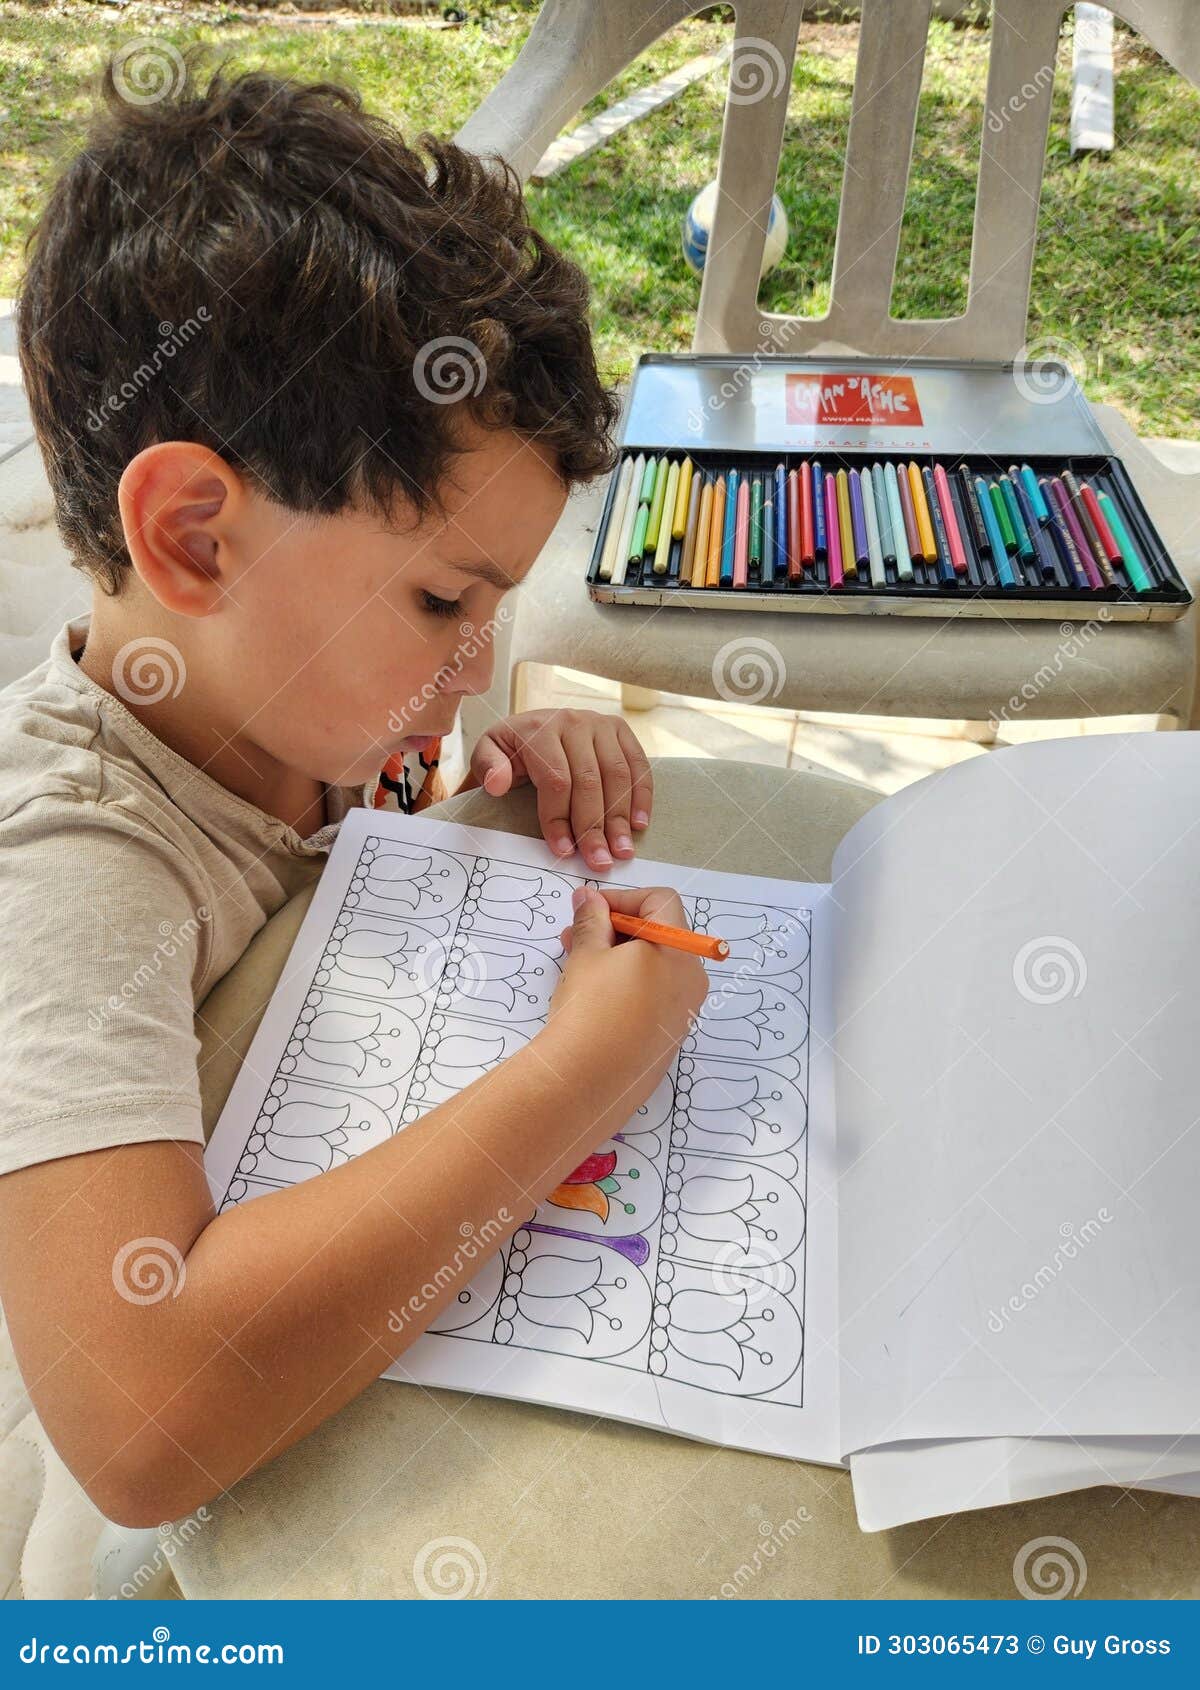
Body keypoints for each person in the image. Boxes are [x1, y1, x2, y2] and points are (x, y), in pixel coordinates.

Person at [0, 60, 707, 1527]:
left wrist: (510, 766)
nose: (476, 671)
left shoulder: (308, 691)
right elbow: (139, 1427)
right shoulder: (69, 865)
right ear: (195, 536)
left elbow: (406, 781)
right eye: (448, 599)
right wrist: (586, 1074)